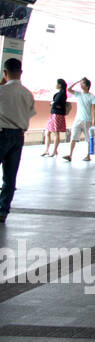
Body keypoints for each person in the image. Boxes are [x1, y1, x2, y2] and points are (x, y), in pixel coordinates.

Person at [0, 58, 37, 222]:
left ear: (4, 73)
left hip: (2, 134)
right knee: (10, 176)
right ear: (21, 73)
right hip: (19, 136)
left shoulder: (1, 91)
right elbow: (28, 115)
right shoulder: (27, 94)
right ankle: (3, 210)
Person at [65, 78, 95, 162]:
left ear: (87, 86)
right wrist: (77, 81)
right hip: (77, 120)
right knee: (73, 137)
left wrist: (94, 121)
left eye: (82, 84)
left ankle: (88, 155)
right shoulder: (78, 94)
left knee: (88, 139)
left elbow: (94, 109)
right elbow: (68, 89)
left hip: (87, 120)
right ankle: (70, 155)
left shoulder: (91, 96)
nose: (80, 85)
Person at [41, 78, 67, 157]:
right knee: (47, 132)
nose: (56, 85)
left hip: (57, 115)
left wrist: (53, 103)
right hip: (54, 114)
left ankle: (54, 151)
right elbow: (55, 103)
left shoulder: (61, 94)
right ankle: (47, 150)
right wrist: (53, 103)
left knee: (56, 133)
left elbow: (56, 103)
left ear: (59, 85)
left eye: (57, 83)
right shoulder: (59, 93)